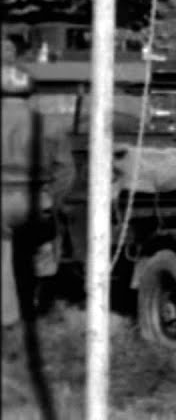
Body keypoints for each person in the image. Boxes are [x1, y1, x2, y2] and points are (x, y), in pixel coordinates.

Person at [2, 41, 74, 354]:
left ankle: (9, 322)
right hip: (35, 200)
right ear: (31, 93)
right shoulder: (51, 123)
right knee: (41, 249)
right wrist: (51, 202)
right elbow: (66, 172)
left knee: (4, 259)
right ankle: (37, 305)